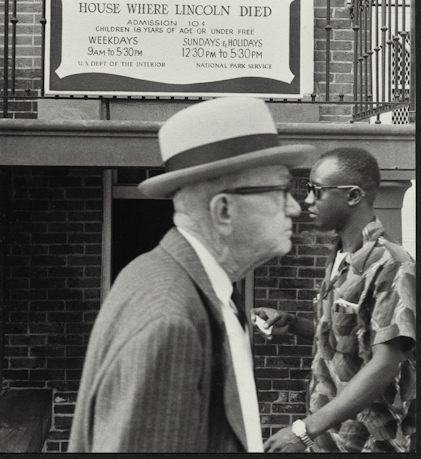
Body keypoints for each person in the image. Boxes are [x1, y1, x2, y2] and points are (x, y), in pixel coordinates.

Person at [68, 97, 314, 452]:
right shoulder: (171, 322)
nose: (294, 207)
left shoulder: (179, 282)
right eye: (281, 189)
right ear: (224, 211)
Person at [253, 147, 416, 453]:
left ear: (353, 196)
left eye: (317, 190)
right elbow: (352, 339)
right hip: (329, 440)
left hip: (372, 444)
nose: (308, 200)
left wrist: (303, 430)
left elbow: (385, 363)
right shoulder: (340, 256)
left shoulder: (392, 264)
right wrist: (294, 324)